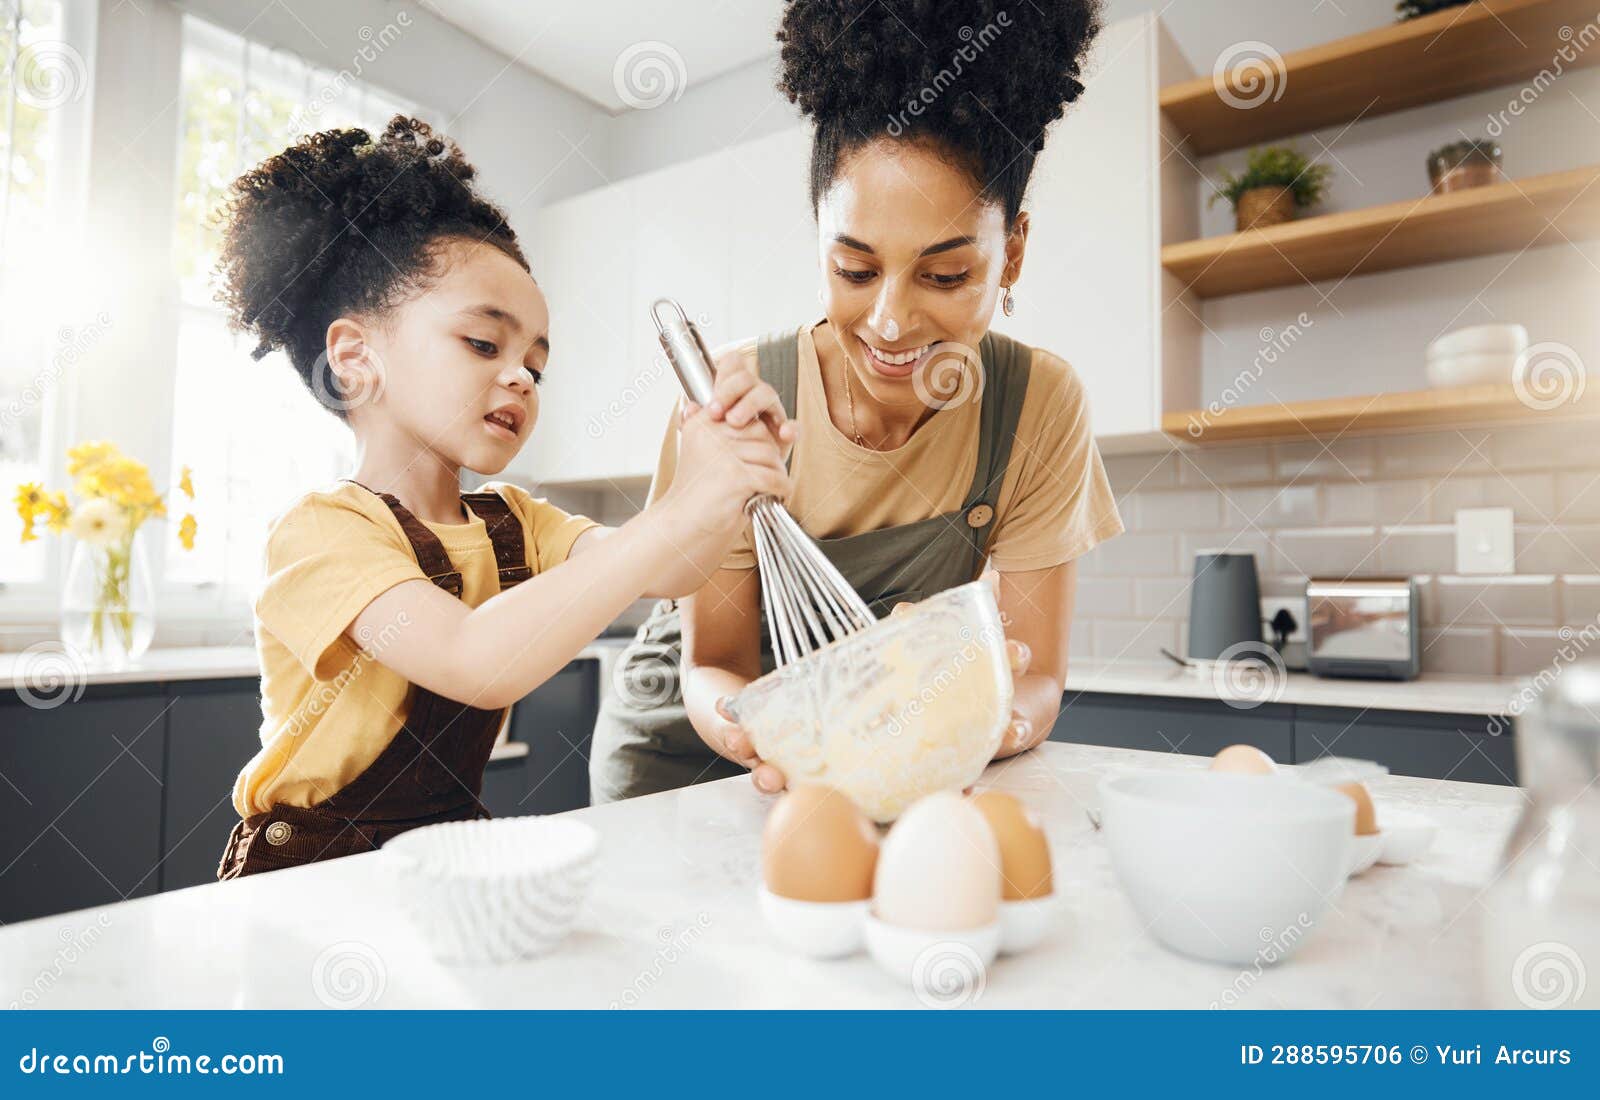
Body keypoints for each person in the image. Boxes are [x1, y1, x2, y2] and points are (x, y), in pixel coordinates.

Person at [214, 117, 793, 877]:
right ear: (356, 359)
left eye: (536, 364)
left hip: (441, 854)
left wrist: (713, 475)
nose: (520, 376)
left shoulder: (514, 522)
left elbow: (669, 572)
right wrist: (684, 506)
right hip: (305, 873)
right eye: (485, 344)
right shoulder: (322, 533)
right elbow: (473, 656)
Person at [590, 0, 1123, 803]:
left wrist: (982, 727)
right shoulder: (739, 399)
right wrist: (757, 727)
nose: (890, 321)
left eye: (944, 276)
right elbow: (713, 663)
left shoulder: (1037, 406)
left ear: (1010, 254)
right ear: (818, 240)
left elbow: (1035, 670)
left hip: (874, 755)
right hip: (689, 752)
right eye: (856, 269)